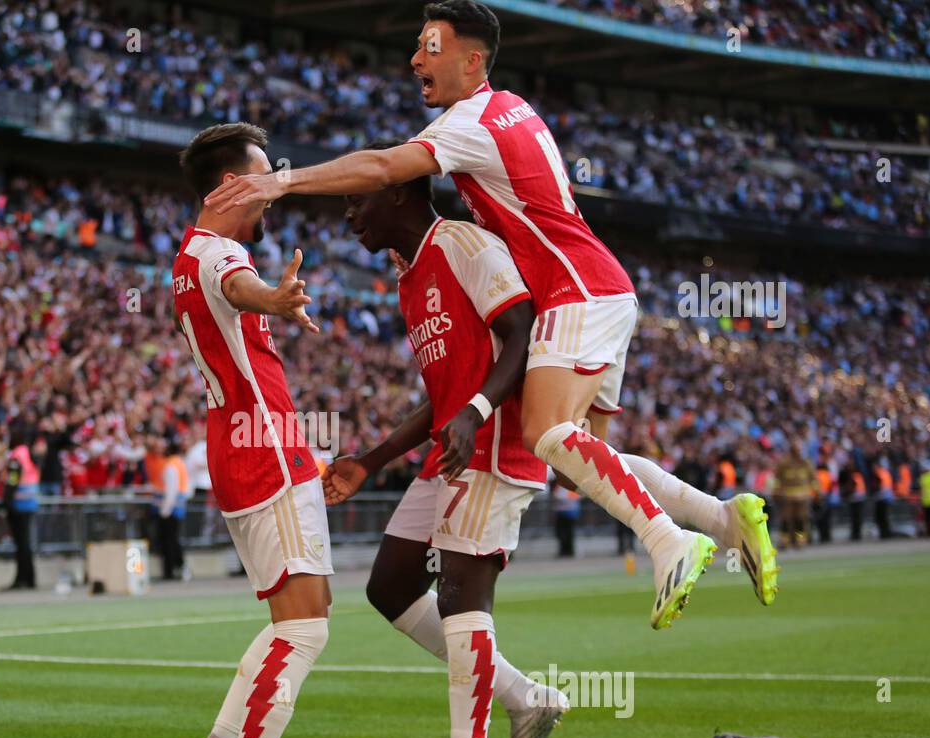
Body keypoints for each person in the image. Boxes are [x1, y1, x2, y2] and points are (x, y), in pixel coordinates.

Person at [204, 0, 779, 628]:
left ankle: (669, 541)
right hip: (602, 286)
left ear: (472, 60)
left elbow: (382, 166)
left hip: (574, 288)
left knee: (545, 432)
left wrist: (280, 183)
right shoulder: (511, 111)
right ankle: (722, 518)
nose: (415, 59)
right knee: (580, 458)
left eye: (430, 47)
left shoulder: (473, 119)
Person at [325, 168, 568, 738]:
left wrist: (478, 410)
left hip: (491, 447)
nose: (349, 215)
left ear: (399, 193)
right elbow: (443, 391)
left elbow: (522, 332)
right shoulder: (409, 278)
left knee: (463, 599)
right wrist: (371, 459)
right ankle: (527, 697)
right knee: (391, 586)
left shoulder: (462, 243)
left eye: (357, 200)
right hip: (451, 449)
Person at [172, 122, 332, 738]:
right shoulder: (222, 253)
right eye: (263, 178)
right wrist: (276, 297)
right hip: (265, 451)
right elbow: (244, 289)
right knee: (304, 627)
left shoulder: (186, 257)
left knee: (289, 621)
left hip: (243, 450)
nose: (271, 191)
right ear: (229, 186)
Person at [3, 423, 39, 591]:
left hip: (18, 505)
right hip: (30, 502)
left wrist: (6, 501)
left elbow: (12, 480)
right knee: (26, 543)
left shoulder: (16, 456)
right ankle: (29, 578)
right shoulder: (29, 453)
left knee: (22, 544)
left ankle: (23, 579)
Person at [155, 435, 189, 581]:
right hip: (179, 506)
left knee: (169, 540)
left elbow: (171, 491)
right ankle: (178, 568)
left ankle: (172, 569)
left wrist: (165, 510)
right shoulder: (179, 463)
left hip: (171, 508)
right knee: (174, 538)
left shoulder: (170, 466)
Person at [773, 444, 815, 549]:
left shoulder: (806, 463)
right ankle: (784, 541)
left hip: (803, 496)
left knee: (800, 519)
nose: (798, 453)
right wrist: (776, 490)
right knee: (786, 519)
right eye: (796, 450)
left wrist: (817, 492)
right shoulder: (784, 464)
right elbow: (777, 478)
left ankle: (800, 540)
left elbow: (812, 478)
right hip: (787, 495)